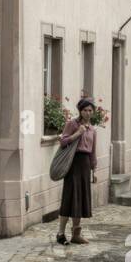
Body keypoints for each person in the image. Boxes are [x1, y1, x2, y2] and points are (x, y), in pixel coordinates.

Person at [56, 98, 98, 245]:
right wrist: (78, 133)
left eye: (90, 110)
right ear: (80, 110)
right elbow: (62, 142)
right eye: (85, 110)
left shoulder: (92, 129)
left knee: (80, 199)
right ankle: (60, 233)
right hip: (73, 163)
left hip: (85, 165)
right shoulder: (72, 124)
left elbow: (93, 151)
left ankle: (76, 234)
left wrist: (94, 169)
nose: (88, 113)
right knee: (69, 198)